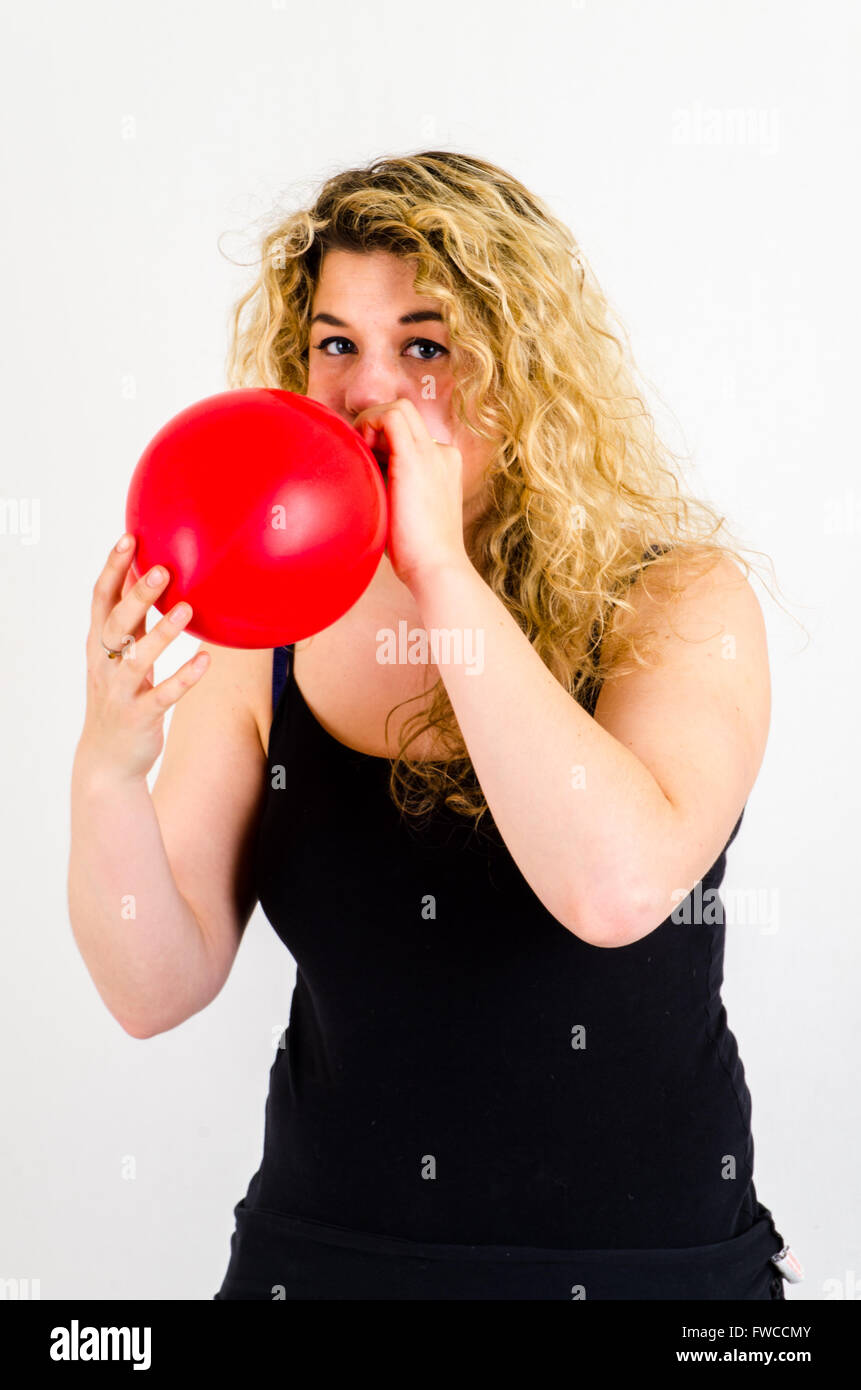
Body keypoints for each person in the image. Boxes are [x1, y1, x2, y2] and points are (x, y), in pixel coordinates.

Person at [69, 151, 798, 1300]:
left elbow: (613, 893)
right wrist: (109, 761)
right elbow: (153, 988)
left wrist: (440, 577)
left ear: (523, 367)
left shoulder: (679, 598)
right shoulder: (267, 634)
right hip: (326, 1264)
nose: (370, 393)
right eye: (336, 346)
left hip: (655, 1275)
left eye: (425, 346)